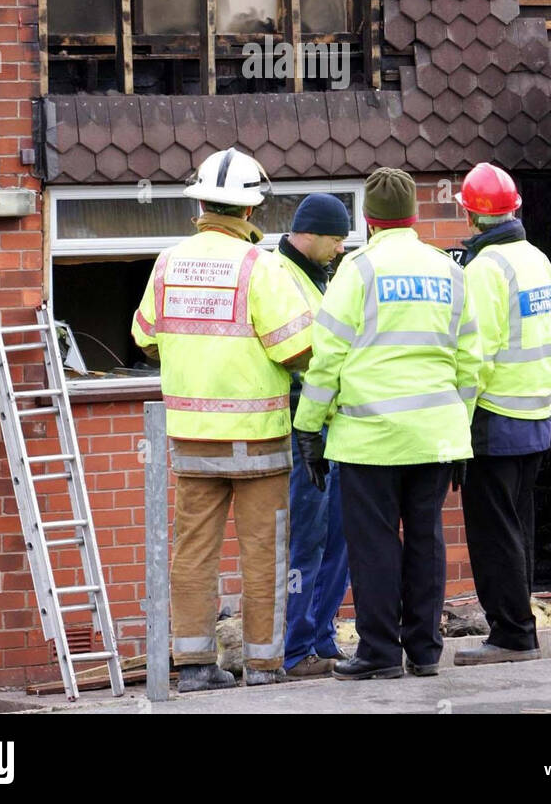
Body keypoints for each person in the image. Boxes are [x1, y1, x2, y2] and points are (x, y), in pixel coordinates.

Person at [131, 148, 313, 694]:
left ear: (201, 205)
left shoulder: (167, 262)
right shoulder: (263, 267)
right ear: (251, 211)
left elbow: (144, 339)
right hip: (258, 442)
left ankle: (192, 666)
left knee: (193, 551)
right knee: (263, 552)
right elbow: (299, 349)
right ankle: (262, 666)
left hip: (191, 441)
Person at [293, 167, 481, 680]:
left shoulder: (357, 271)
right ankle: (424, 651)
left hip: (369, 439)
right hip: (435, 437)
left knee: (374, 544)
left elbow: (326, 360)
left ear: (369, 221)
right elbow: (472, 360)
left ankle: (378, 651)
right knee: (427, 539)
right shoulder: (449, 270)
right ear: (414, 216)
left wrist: (308, 429)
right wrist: (458, 434)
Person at [452, 162, 551, 667]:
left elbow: (475, 356)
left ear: (473, 215)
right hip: (534, 416)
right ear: (513, 208)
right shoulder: (536, 259)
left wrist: (457, 423)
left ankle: (512, 635)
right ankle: (521, 628)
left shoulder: (484, 270)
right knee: (517, 527)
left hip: (494, 420)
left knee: (493, 533)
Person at [275, 193, 351, 679]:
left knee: (338, 537)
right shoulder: (280, 277)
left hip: (334, 425)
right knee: (307, 540)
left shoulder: (316, 276)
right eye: (336, 239)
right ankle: (295, 647)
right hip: (304, 427)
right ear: (312, 233)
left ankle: (321, 638)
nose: (341, 249)